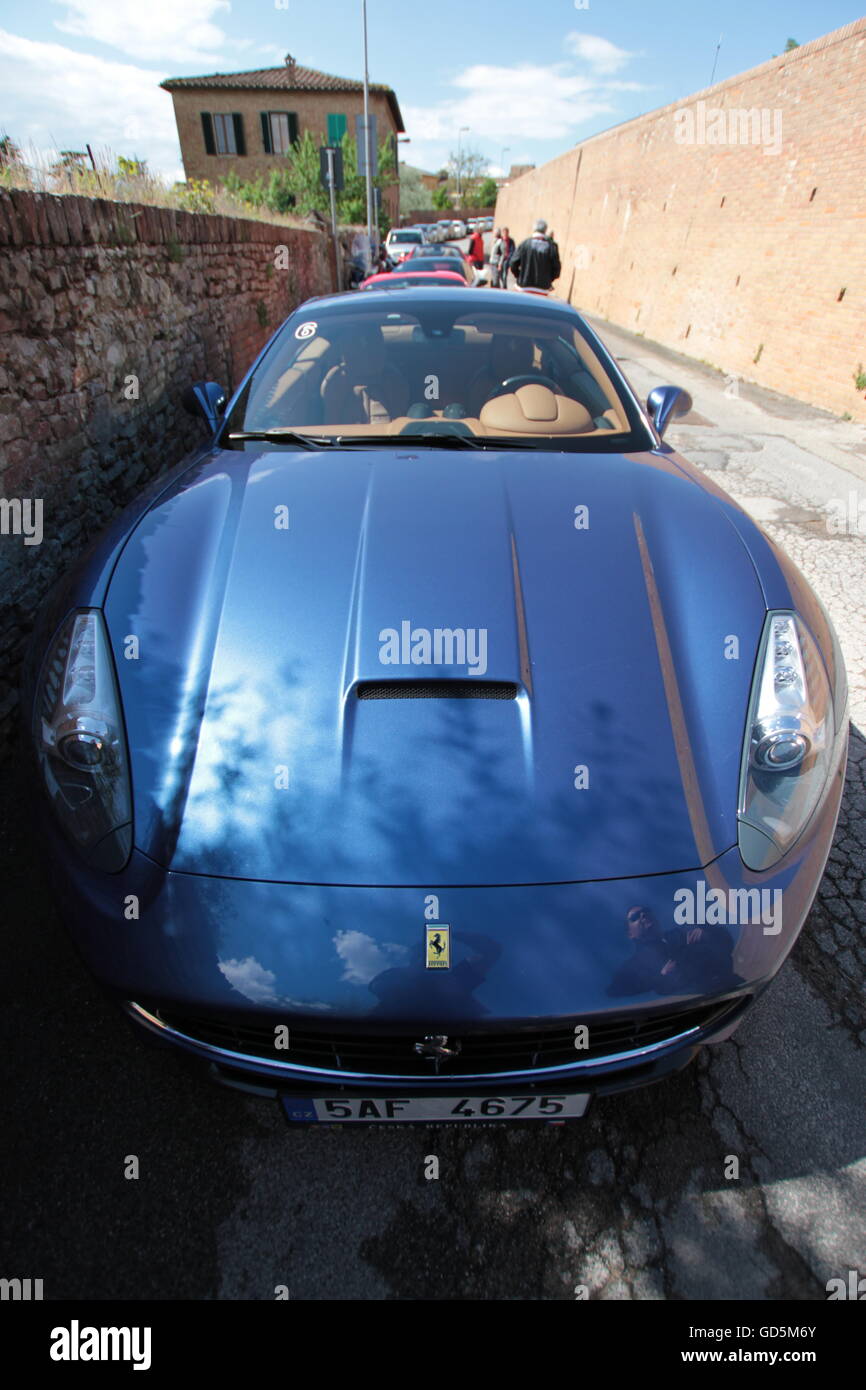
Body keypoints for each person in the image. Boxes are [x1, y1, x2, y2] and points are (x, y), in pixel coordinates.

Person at [509, 218, 561, 292]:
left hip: (524, 287)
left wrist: (520, 275)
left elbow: (513, 263)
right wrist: (548, 279)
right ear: (545, 230)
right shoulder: (552, 246)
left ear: (533, 229)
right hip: (543, 289)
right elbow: (557, 269)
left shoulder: (524, 244)